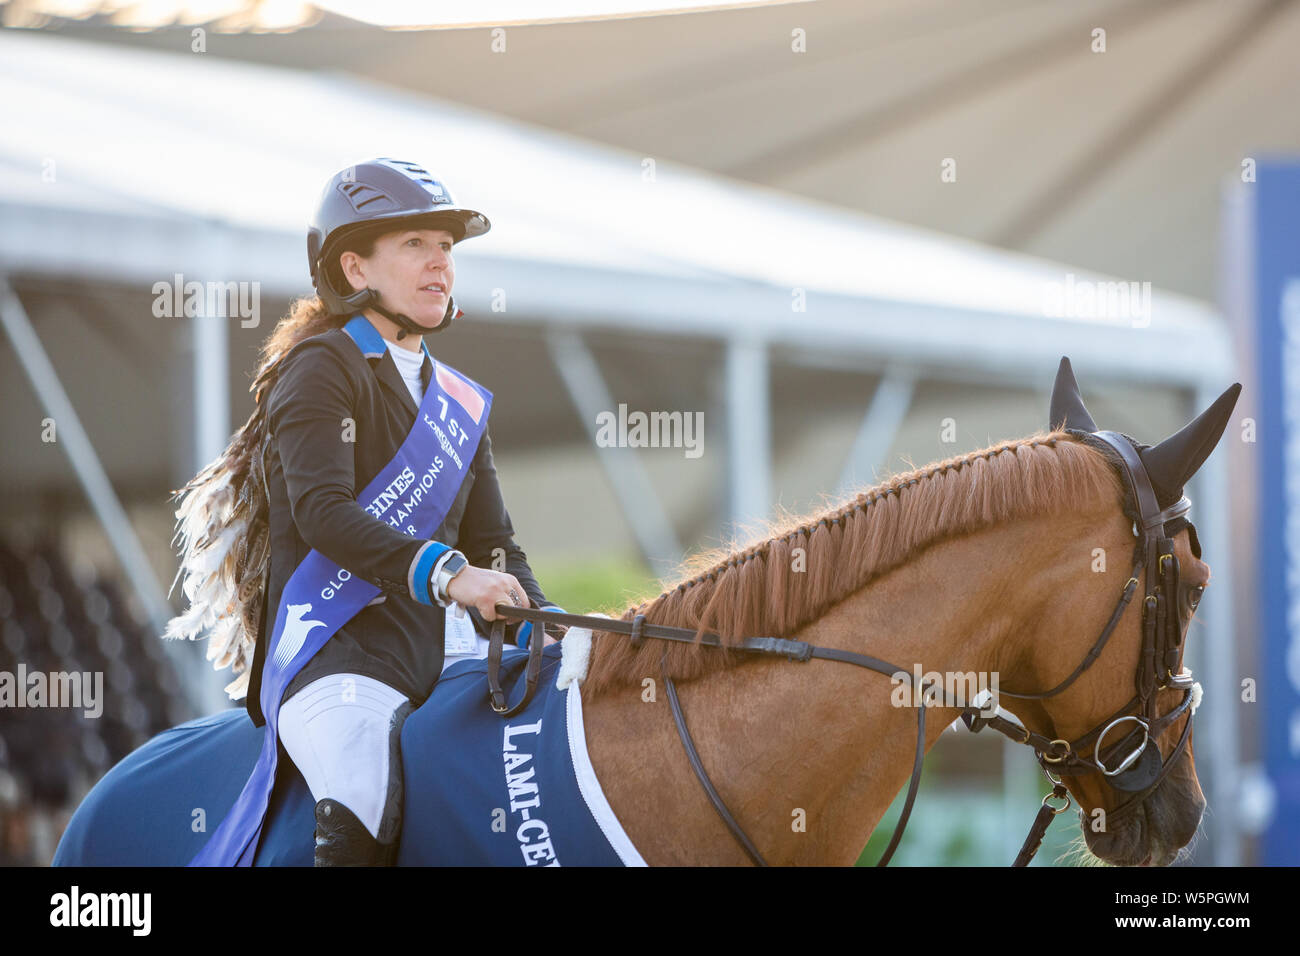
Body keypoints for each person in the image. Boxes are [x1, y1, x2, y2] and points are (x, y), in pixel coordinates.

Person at [165, 158, 564, 866]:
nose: (440, 263)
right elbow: (321, 513)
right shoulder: (319, 368)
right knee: (362, 778)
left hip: (449, 657)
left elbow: (495, 545)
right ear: (354, 269)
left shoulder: (461, 402)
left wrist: (554, 633)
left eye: (446, 247)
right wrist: (448, 574)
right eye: (415, 245)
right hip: (339, 661)